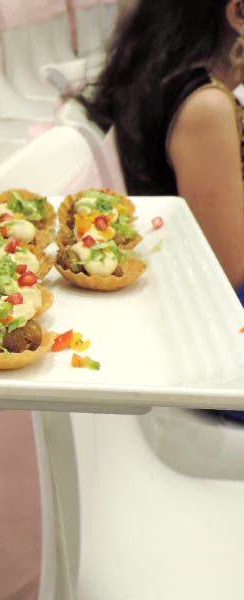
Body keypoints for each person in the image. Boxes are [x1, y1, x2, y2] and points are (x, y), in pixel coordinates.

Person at [81, 0, 244, 421]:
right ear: (237, 12)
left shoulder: (161, 71)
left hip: (190, 322)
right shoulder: (204, 105)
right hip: (219, 348)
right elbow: (229, 272)